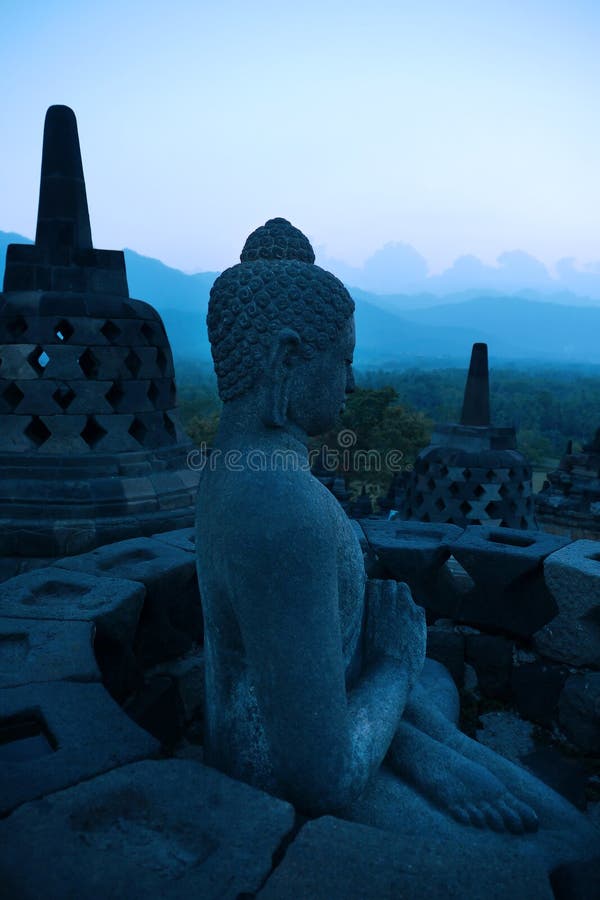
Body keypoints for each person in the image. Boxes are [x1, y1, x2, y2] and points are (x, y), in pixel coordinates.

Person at [196, 218, 598, 867]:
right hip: (277, 777)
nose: (351, 386)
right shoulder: (283, 510)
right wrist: (392, 660)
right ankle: (426, 738)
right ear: (288, 357)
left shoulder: (232, 468)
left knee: (434, 681)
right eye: (345, 362)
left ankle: (422, 737)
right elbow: (319, 777)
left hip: (293, 720)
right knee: (568, 849)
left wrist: (420, 733)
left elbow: (309, 669)